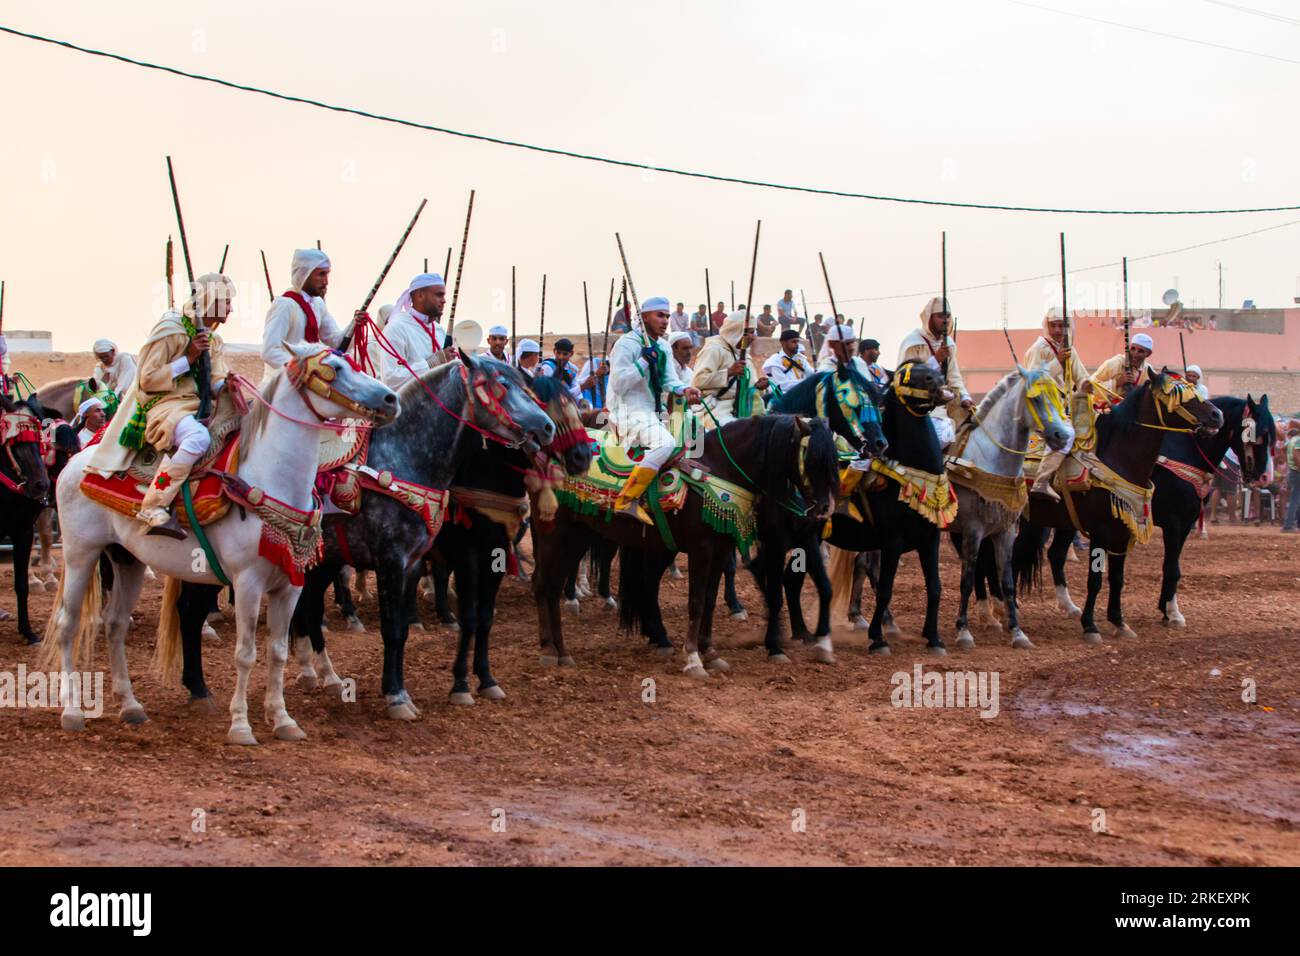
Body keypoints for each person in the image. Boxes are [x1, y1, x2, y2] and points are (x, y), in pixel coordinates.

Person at [87, 273, 233, 539]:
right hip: (164, 405)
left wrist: (230, 388)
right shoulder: (171, 330)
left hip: (198, 405)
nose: (231, 308)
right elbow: (148, 379)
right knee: (198, 437)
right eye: (226, 302)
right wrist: (188, 358)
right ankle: (154, 504)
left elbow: (216, 380)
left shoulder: (212, 340)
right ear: (208, 300)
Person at [607, 296, 701, 521]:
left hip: (654, 411)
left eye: (667, 316)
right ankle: (627, 499)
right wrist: (643, 363)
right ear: (645, 317)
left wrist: (685, 390)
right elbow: (618, 384)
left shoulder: (663, 346)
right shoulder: (628, 344)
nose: (665, 320)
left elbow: (670, 381)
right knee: (666, 443)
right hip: (628, 410)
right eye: (660, 315)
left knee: (694, 434)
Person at [1022, 309, 1090, 500]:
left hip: (1062, 406)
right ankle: (1041, 481)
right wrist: (1057, 361)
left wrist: (1087, 384)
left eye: (1062, 325)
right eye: (1053, 326)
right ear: (1047, 326)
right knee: (1065, 434)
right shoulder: (1039, 348)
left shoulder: (1069, 349)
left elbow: (1081, 375)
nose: (1058, 330)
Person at [262, 248, 354, 382]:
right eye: (321, 274)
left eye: (327, 274)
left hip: (309, 383)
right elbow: (269, 351)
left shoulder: (318, 304)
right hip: (281, 386)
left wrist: (354, 325)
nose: (326, 281)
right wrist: (303, 366)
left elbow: (335, 342)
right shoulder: (285, 305)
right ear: (305, 274)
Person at [898, 296, 974, 447]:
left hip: (941, 407)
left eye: (947, 316)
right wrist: (935, 360)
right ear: (929, 318)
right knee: (943, 436)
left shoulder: (949, 344)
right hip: (915, 406)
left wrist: (965, 396)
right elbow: (905, 377)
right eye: (940, 316)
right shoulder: (913, 342)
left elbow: (954, 376)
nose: (944, 320)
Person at [692, 309, 767, 428]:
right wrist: (729, 372)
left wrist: (757, 386)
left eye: (754, 332)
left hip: (742, 406)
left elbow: (748, 385)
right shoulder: (714, 349)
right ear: (737, 331)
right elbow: (698, 381)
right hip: (715, 406)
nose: (753, 337)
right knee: (734, 430)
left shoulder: (745, 355)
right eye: (750, 333)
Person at [378, 273, 454, 388]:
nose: (444, 301)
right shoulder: (397, 328)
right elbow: (390, 380)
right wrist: (431, 364)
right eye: (439, 295)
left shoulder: (440, 331)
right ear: (420, 296)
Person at [1085, 332, 1152, 403]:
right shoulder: (1113, 364)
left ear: (1148, 354)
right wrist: (1117, 383)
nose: (1135, 354)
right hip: (1102, 409)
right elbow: (1089, 387)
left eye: (1140, 351)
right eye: (1133, 349)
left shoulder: (1148, 371)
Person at [1282, 422, 1300, 533]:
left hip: (1293, 471)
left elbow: (1284, 449)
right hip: (1297, 472)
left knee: (1296, 498)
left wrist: (1289, 463)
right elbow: (1296, 454)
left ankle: (1293, 523)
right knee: (1295, 499)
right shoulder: (1298, 440)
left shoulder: (1292, 440)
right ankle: (1288, 525)